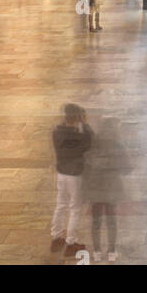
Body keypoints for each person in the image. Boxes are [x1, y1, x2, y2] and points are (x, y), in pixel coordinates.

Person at [50, 104, 94, 260]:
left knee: (60, 204)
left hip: (61, 173)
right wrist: (85, 124)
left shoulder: (57, 131)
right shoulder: (80, 135)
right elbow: (89, 142)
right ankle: (71, 243)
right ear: (78, 117)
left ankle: (56, 238)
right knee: (75, 208)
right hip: (75, 174)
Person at [86, 117, 130, 264]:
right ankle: (111, 252)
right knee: (111, 221)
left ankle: (97, 252)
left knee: (96, 222)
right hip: (111, 190)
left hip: (95, 190)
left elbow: (86, 167)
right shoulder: (118, 145)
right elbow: (126, 170)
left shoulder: (94, 144)